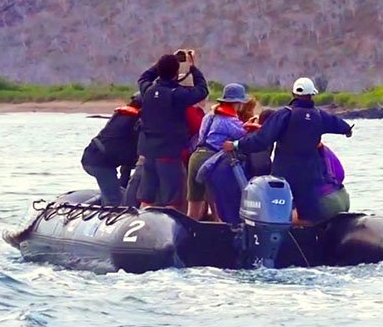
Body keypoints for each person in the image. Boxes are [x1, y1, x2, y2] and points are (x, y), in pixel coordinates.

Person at [224, 77, 352, 225]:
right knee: (308, 216)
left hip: (285, 173)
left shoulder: (284, 114)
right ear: (312, 94)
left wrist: (236, 144)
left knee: (285, 211)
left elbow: (261, 140)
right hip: (310, 174)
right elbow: (341, 126)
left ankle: (283, 235)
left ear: (293, 94)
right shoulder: (320, 115)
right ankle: (310, 237)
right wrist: (347, 130)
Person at [137, 53, 208, 208]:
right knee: (172, 199)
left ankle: (143, 220)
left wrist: (159, 65)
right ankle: (170, 222)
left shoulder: (147, 90)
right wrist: (192, 68)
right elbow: (202, 90)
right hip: (168, 153)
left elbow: (143, 78)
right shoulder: (177, 94)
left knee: (147, 197)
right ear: (176, 72)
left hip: (148, 152)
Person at [186, 83, 251, 220]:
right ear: (238, 103)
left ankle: (187, 232)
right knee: (218, 209)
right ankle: (220, 233)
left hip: (196, 157)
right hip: (211, 162)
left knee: (194, 207)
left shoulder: (209, 116)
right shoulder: (230, 121)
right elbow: (246, 137)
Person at [80, 93, 142, 206]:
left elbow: (127, 162)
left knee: (115, 192)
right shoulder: (135, 122)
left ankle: (97, 204)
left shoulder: (122, 116)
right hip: (100, 163)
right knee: (115, 200)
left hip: (93, 157)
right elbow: (130, 156)